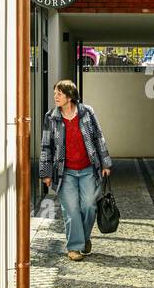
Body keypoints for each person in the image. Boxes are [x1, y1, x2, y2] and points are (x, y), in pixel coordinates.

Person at [39, 80, 112, 261]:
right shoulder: (51, 117)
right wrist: (46, 173)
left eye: (59, 94)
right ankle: (74, 247)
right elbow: (46, 146)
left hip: (88, 168)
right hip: (65, 172)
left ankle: (84, 238)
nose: (55, 97)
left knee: (89, 206)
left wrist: (105, 163)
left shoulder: (86, 112)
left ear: (70, 96)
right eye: (55, 93)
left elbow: (98, 137)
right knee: (71, 209)